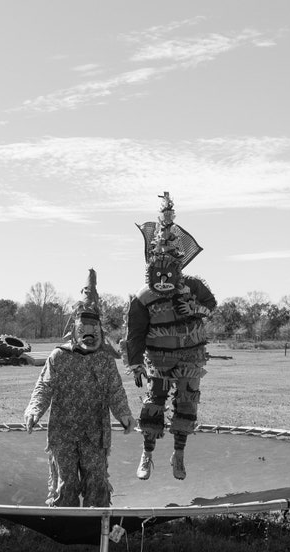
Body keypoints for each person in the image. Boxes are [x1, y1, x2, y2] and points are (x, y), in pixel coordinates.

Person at [123, 192, 217, 480]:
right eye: (158, 265)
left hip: (190, 357)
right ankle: (147, 453)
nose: (164, 273)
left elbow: (211, 308)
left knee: (187, 402)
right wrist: (136, 363)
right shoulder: (143, 297)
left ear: (178, 262)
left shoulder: (193, 286)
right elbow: (134, 333)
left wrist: (195, 307)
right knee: (154, 402)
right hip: (159, 358)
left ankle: (179, 454)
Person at [24, 269, 133, 507]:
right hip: (63, 433)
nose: (90, 335)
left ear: (100, 332)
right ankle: (65, 525)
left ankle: (96, 529)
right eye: (84, 329)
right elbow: (44, 386)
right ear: (74, 330)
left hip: (95, 433)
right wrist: (34, 411)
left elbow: (115, 391)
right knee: (67, 482)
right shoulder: (59, 357)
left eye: (95, 330)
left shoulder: (104, 360)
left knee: (97, 482)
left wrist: (124, 415)